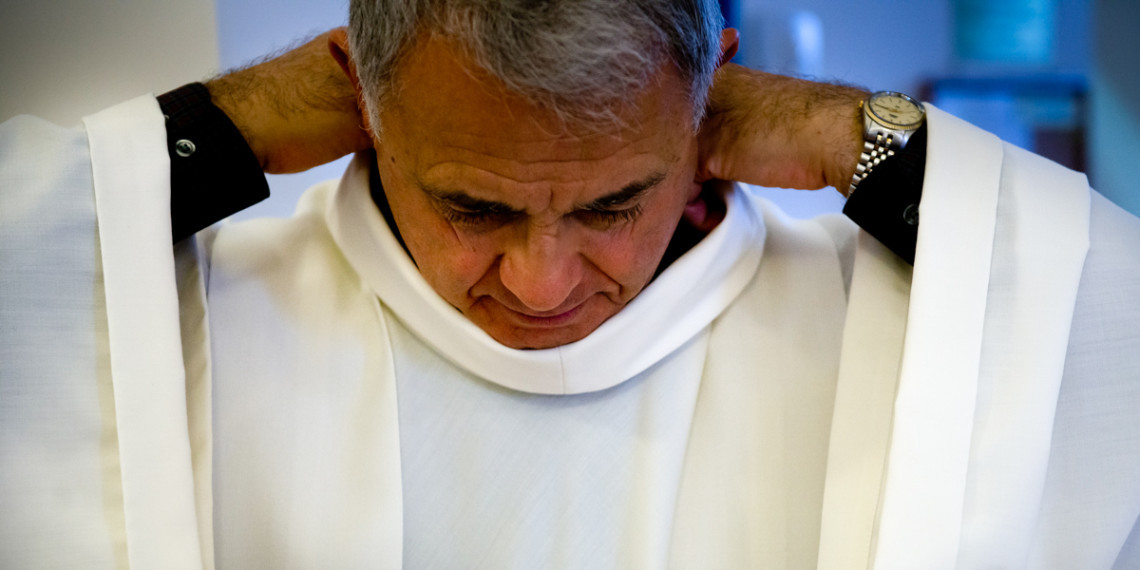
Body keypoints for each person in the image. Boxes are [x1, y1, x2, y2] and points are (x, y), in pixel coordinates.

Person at [2, 0, 1138, 568]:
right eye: (475, 206)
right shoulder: (201, 311)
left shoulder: (876, 322)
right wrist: (233, 121)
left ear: (710, 111)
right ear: (356, 97)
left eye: (608, 207)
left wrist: (849, 132)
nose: (542, 285)